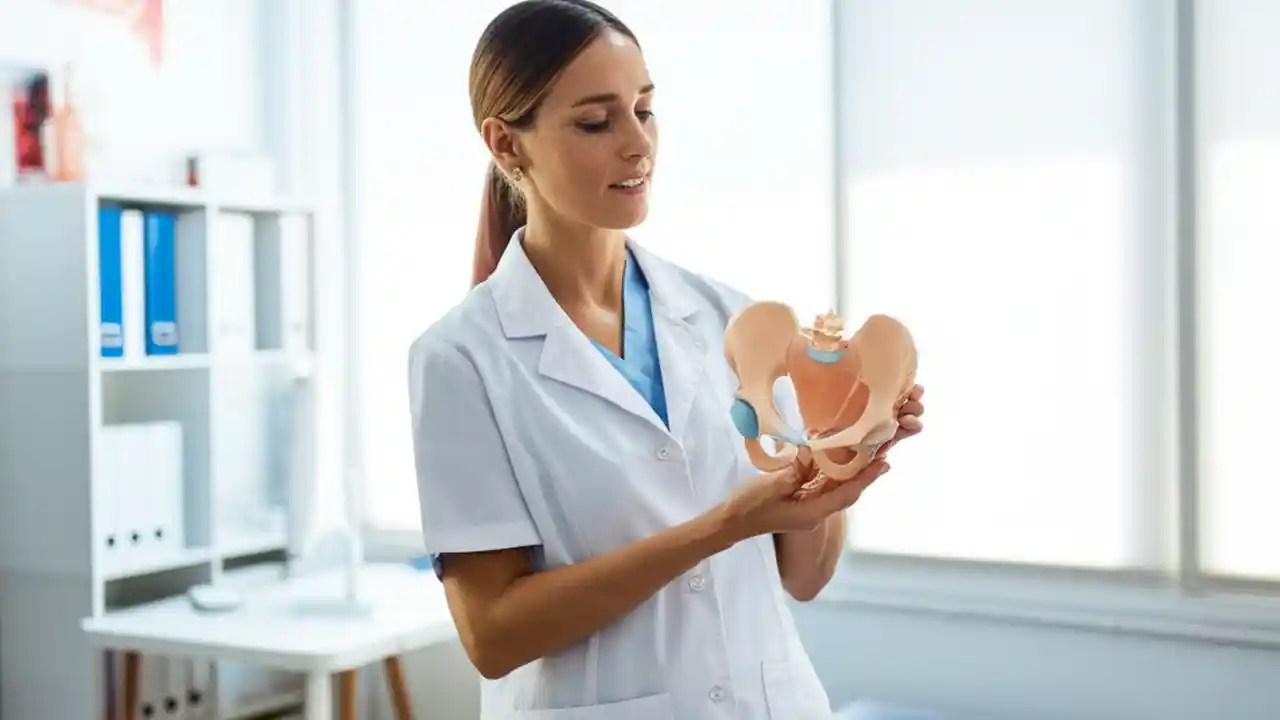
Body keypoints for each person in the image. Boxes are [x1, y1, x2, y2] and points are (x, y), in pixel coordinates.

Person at [406, 2, 925, 717]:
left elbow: (804, 579)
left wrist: (837, 456)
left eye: (645, 110)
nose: (637, 144)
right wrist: (721, 527)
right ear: (506, 145)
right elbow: (493, 635)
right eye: (597, 121)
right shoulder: (461, 359)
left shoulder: (729, 319)